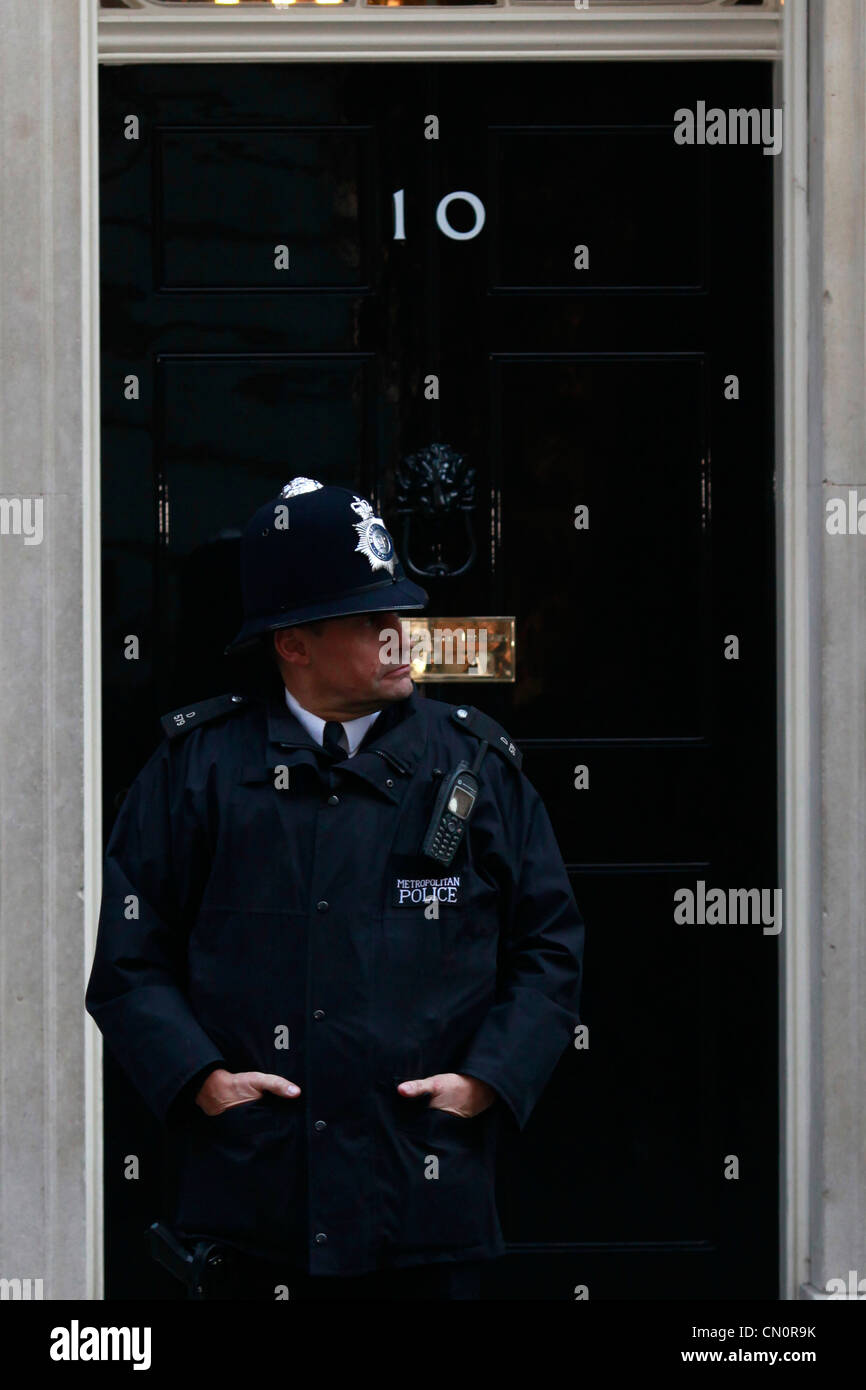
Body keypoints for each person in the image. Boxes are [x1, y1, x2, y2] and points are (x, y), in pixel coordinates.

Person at [85, 476, 585, 1301]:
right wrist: (205, 1083)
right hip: (258, 1207)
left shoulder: (474, 765)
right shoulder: (199, 770)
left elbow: (550, 946)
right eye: (370, 620)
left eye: (402, 616)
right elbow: (131, 963)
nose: (400, 638)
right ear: (294, 643)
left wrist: (486, 1080)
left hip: (424, 1201)